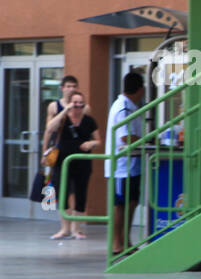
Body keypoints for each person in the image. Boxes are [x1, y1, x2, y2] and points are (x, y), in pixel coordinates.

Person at [45, 90, 100, 240]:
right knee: (62, 192)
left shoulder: (88, 120)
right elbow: (50, 128)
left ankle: (77, 229)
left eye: (81, 104)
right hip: (62, 161)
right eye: (75, 103)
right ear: (69, 103)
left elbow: (98, 140)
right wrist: (64, 112)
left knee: (80, 193)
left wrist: (91, 143)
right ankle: (65, 229)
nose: (78, 107)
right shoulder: (62, 119)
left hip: (82, 161)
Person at [106, 71, 145, 254]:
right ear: (141, 89)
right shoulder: (124, 108)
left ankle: (124, 241)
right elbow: (126, 137)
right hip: (122, 167)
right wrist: (147, 141)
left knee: (129, 203)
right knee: (121, 205)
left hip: (128, 166)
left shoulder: (127, 105)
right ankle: (117, 244)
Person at [44, 75, 90, 140]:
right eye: (68, 86)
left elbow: (89, 128)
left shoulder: (85, 108)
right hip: (60, 144)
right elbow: (48, 130)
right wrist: (45, 149)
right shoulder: (54, 106)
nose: (72, 89)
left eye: (74, 86)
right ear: (62, 88)